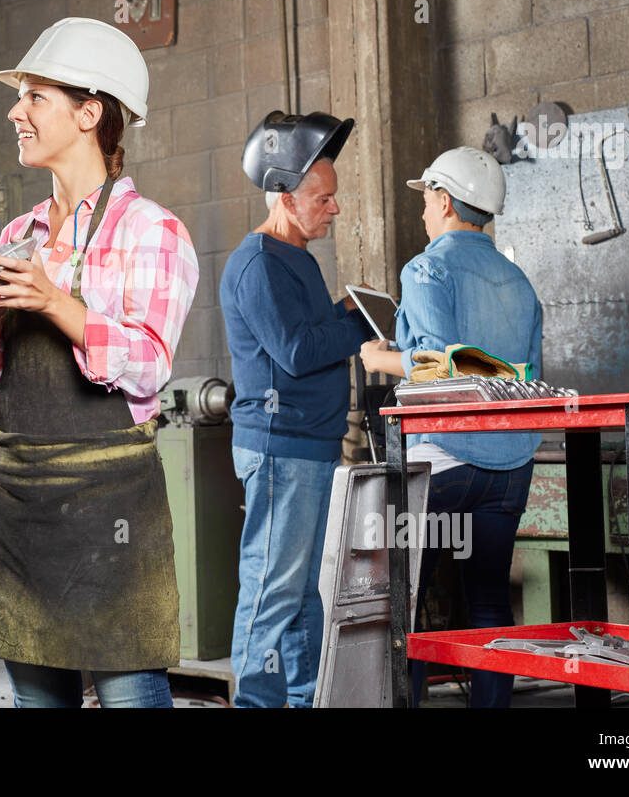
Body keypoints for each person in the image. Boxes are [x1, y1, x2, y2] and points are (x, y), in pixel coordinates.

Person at [0, 17, 198, 708]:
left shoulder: (151, 230)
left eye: (35, 97)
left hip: (108, 504)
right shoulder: (18, 233)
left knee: (127, 692)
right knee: (38, 700)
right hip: (19, 498)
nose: (15, 112)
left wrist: (55, 302)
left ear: (90, 112)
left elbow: (150, 365)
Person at [359, 145, 542, 708]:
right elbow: (520, 372)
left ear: (444, 200)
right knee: (489, 602)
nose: (421, 212)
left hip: (443, 458)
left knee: (402, 608)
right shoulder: (518, 281)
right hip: (511, 464)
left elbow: (441, 364)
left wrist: (381, 358)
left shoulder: (426, 267)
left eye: (426, 199)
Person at [219, 110, 369, 708]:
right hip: (280, 452)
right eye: (323, 198)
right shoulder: (257, 263)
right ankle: (257, 702)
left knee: (306, 593)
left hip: (308, 448)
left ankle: (304, 699)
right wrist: (358, 325)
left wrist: (347, 315)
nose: (334, 208)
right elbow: (298, 350)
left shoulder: (297, 260)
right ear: (284, 194)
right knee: (271, 592)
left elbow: (308, 331)